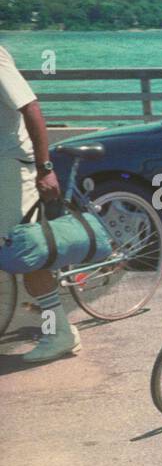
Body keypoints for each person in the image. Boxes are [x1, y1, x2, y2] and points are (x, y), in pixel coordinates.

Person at [0, 44, 77, 362]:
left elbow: (31, 107)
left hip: (12, 165)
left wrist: (45, 168)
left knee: (24, 250)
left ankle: (60, 333)